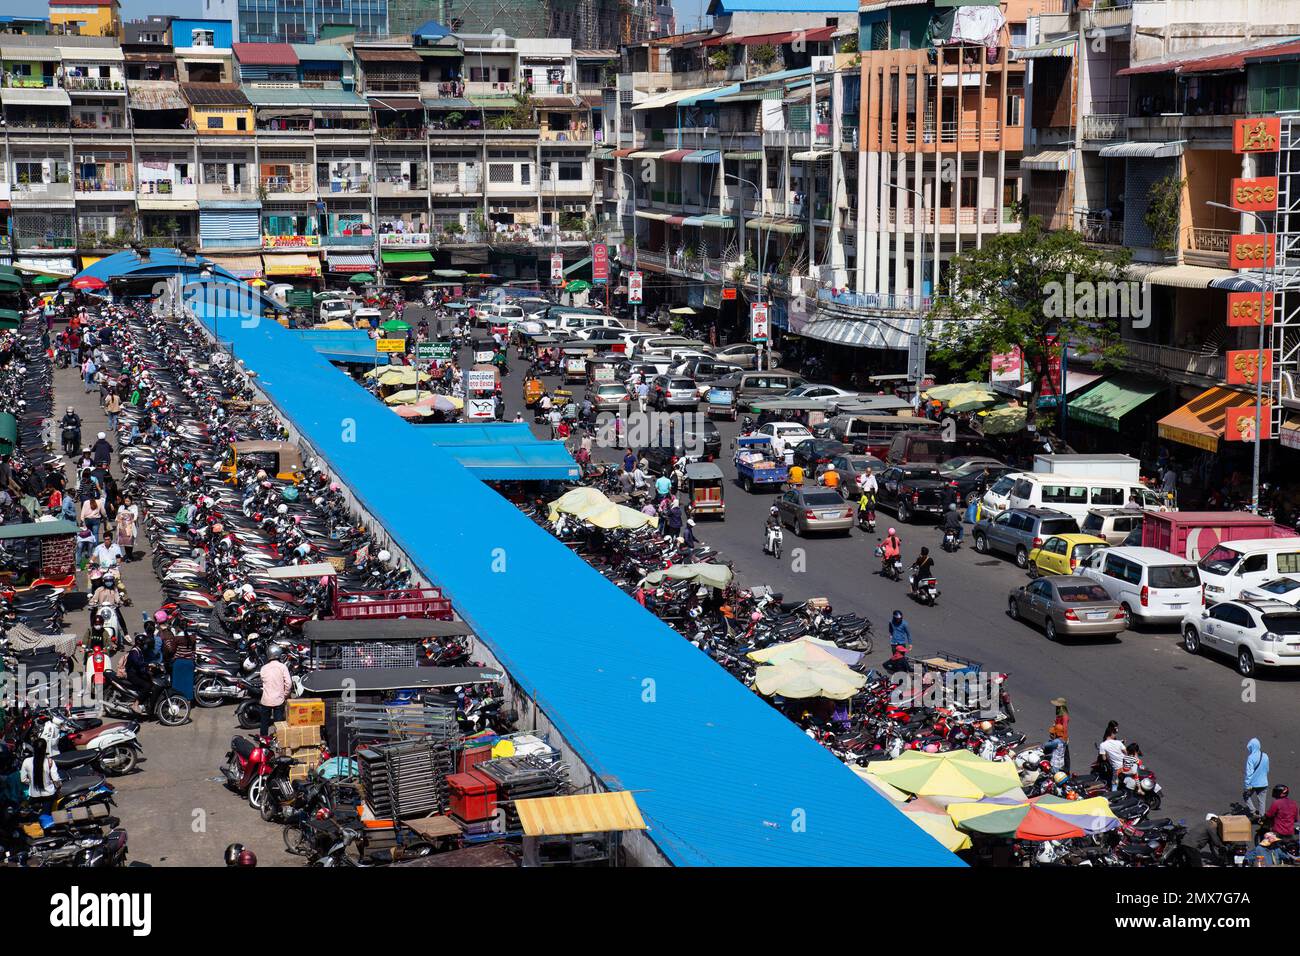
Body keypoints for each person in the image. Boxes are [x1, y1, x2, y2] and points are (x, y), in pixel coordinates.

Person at [259, 644, 294, 738]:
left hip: (266, 700)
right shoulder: (282, 667)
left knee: (264, 722)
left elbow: (263, 681)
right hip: (278, 700)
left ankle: (263, 740)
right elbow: (289, 683)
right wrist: (285, 694)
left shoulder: (263, 668)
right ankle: (279, 740)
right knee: (278, 724)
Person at [19, 737, 60, 813]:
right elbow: (56, 779)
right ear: (45, 748)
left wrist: (32, 781)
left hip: (34, 796)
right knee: (47, 813)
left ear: (33, 749)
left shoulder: (26, 761)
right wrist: (58, 787)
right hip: (49, 795)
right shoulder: (50, 762)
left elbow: (23, 779)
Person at [1245, 738, 1271, 817]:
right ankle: (1261, 817)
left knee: (1246, 795)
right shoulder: (1265, 755)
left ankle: (1253, 811)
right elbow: (1267, 769)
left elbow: (1249, 773)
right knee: (1262, 802)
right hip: (1264, 783)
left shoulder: (1251, 758)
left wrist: (1247, 785)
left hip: (1253, 784)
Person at [1098, 723, 1127, 788]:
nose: (1115, 734)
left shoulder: (1102, 745)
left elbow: (1104, 758)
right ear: (1111, 734)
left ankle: (1114, 794)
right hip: (1126, 764)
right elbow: (1126, 752)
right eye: (1114, 733)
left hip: (1117, 768)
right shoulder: (1118, 742)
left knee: (1114, 782)